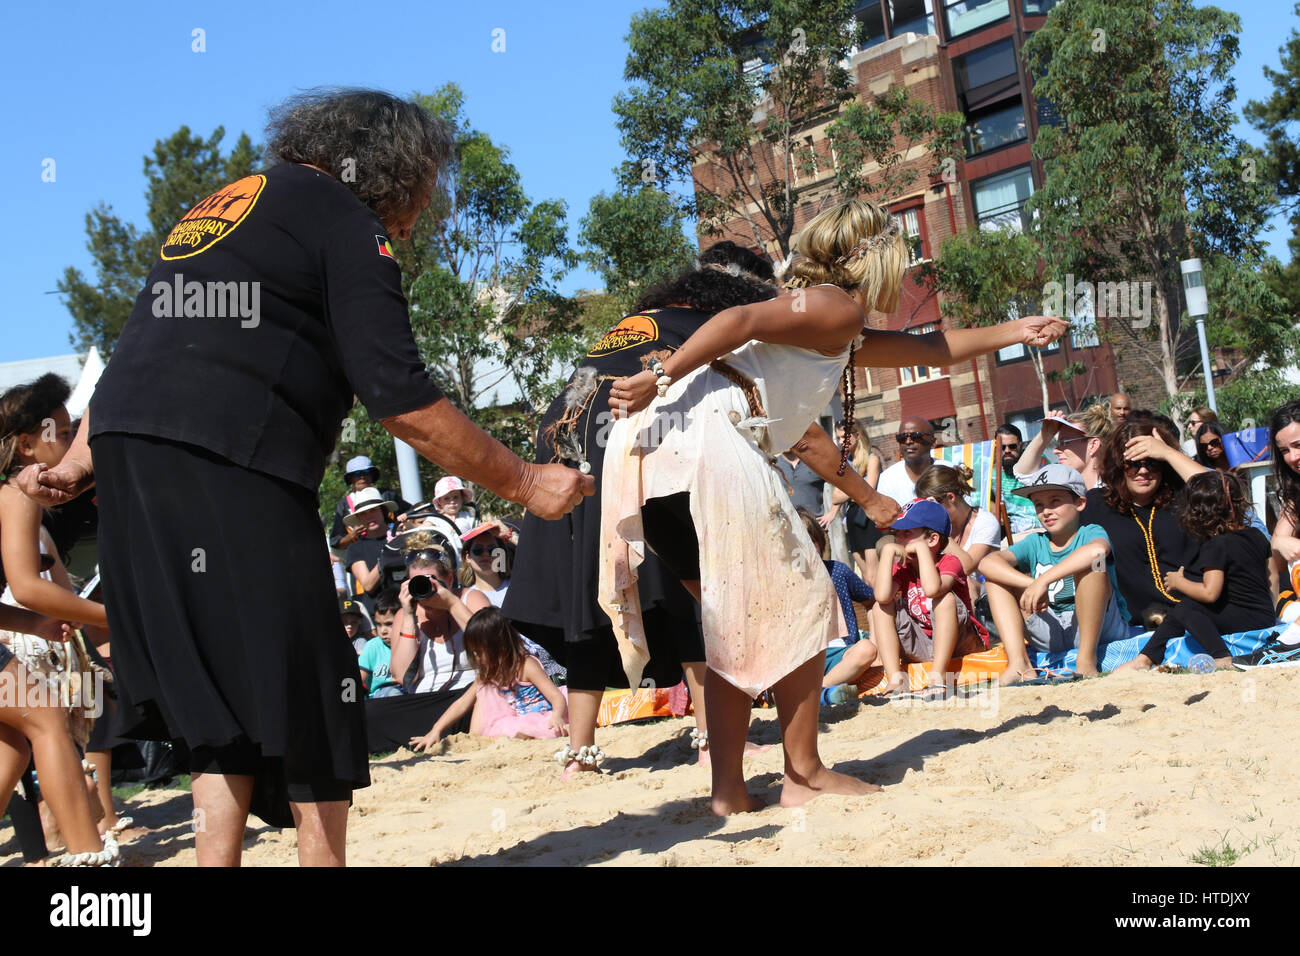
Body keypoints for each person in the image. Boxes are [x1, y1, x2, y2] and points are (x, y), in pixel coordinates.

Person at [17, 89, 591, 867]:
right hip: (230, 456)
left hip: (131, 454)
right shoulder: (342, 218)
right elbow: (401, 397)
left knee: (223, 690)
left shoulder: (221, 206)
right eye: (426, 189)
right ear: (400, 170)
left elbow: (134, 349)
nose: (423, 212)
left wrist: (81, 460)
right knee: (314, 685)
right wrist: (526, 480)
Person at [603, 199, 1065, 813]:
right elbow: (737, 317)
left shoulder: (833, 326)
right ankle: (803, 775)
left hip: (660, 470)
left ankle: (730, 793)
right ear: (872, 259)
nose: (904, 276)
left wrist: (1015, 331)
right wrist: (656, 374)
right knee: (801, 603)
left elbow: (930, 350)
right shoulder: (834, 306)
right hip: (705, 455)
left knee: (735, 626)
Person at [504, 243, 787, 778]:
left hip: (566, 446)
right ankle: (711, 741)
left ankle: (580, 755)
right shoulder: (717, 323)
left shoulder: (639, 320)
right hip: (631, 440)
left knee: (587, 597)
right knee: (685, 584)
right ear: (741, 288)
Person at [978, 465, 1131, 682]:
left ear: (1080, 503)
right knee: (995, 579)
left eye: (1055, 501)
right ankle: (1020, 664)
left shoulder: (1090, 532)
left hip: (1096, 630)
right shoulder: (1035, 542)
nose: (1046, 511)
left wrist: (1044, 581)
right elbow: (987, 563)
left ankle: (1086, 661)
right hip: (1048, 629)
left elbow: (1097, 551)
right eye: (1039, 504)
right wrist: (1031, 583)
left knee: (1095, 566)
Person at [1116, 471, 1276, 672]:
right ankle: (1145, 658)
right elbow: (1273, 578)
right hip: (1266, 615)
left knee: (1186, 608)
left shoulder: (1216, 545)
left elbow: (1210, 593)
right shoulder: (1256, 535)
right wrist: (1273, 613)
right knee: (1178, 614)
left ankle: (1221, 656)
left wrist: (1179, 582)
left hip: (1246, 620)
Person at [1079, 418, 1207, 629]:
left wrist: (1167, 452)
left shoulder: (1184, 498)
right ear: (1119, 466)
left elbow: (1220, 491)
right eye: (1133, 464)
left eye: (1152, 463)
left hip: (1196, 614)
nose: (1143, 471)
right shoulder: (1096, 504)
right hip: (1132, 625)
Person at [869, 500, 989, 699]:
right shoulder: (903, 567)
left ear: (932, 539)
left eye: (906, 533)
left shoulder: (950, 561)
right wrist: (888, 554)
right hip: (924, 644)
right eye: (896, 533)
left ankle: (938, 677)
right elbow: (881, 596)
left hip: (962, 641)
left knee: (944, 599)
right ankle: (896, 679)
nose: (898, 539)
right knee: (880, 607)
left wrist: (922, 551)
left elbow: (933, 589)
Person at [409, 607, 568, 749]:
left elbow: (556, 696)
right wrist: (436, 730)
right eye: (474, 653)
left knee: (544, 729)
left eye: (479, 652)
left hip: (544, 715)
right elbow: (462, 703)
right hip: (518, 720)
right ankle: (486, 738)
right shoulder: (488, 674)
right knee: (489, 701)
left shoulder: (526, 665)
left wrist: (557, 716)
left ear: (499, 646)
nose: (477, 658)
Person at [795, 510, 876, 706]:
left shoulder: (837, 571)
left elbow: (871, 600)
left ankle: (817, 693)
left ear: (819, 543)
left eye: (811, 541)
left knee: (866, 649)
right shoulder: (781, 582)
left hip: (839, 654)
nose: (806, 549)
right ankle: (825, 695)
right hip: (801, 659)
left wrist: (875, 641)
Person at [915, 463, 1003, 577]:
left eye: (931, 506)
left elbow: (966, 568)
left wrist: (940, 528)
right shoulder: (931, 526)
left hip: (980, 589)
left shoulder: (985, 523)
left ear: (951, 497)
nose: (928, 512)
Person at [826, 420, 883, 584]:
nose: (841, 441)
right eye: (838, 438)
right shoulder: (844, 464)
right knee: (865, 577)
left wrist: (847, 491)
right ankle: (872, 609)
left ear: (857, 435)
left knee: (874, 576)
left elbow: (868, 490)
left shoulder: (872, 459)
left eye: (845, 436)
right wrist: (853, 491)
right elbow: (835, 497)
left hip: (868, 518)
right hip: (852, 518)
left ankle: (880, 608)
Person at [327, 456, 410, 549]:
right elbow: (336, 543)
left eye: (366, 472)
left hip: (395, 546)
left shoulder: (388, 495)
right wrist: (351, 536)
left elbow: (413, 513)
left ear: (372, 475)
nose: (362, 477)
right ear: (350, 479)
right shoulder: (344, 504)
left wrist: (406, 523)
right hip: (362, 552)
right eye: (357, 473)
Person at [342, 488, 399, 614]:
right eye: (363, 513)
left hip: (409, 608)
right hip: (378, 616)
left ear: (383, 511)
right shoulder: (355, 548)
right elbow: (368, 585)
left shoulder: (402, 537)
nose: (369, 516)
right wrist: (389, 551)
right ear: (358, 518)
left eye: (373, 510)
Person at [1270, 400, 1300, 602]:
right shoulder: (1294, 494)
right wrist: (1280, 541)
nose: (1293, 457)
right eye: (1284, 451)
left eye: (1298, 445)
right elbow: (1276, 559)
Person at [876, 417, 940, 505]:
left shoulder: (949, 472)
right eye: (902, 437)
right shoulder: (887, 479)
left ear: (933, 442)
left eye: (916, 436)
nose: (908, 441)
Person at [357, 589, 403, 698]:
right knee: (393, 693)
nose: (383, 631)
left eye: (389, 624)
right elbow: (355, 680)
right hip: (381, 697)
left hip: (409, 694)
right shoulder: (372, 646)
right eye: (378, 624)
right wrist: (347, 701)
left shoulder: (414, 642)